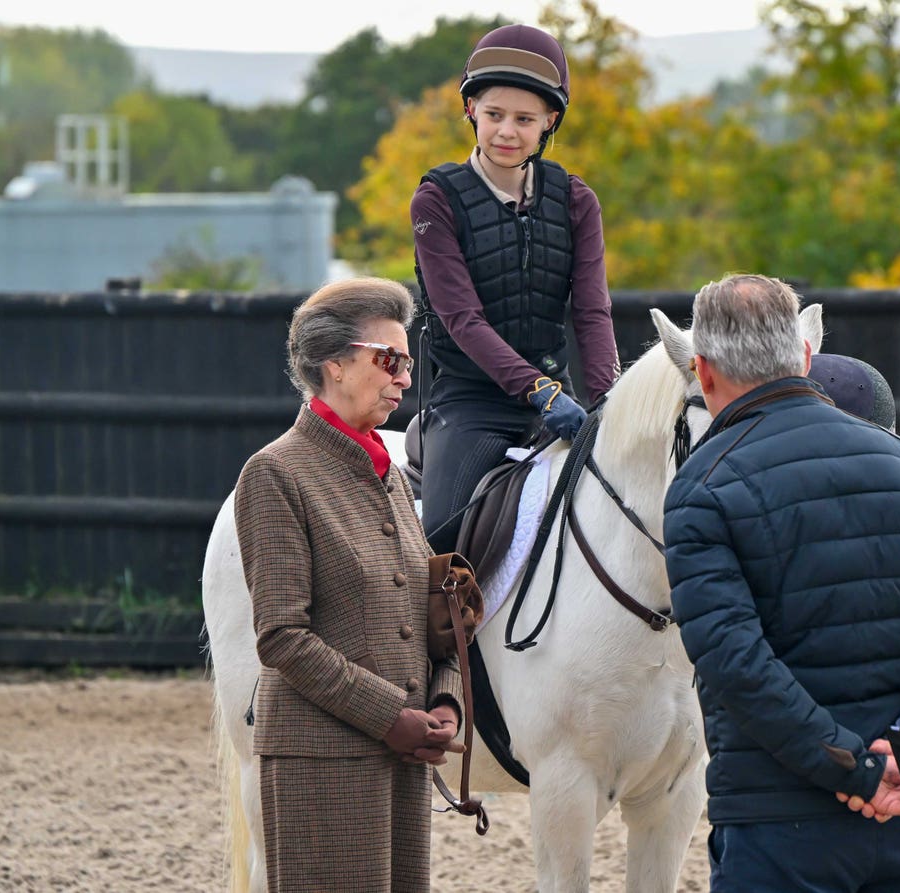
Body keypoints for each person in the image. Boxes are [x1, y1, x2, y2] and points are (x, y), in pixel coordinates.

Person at [663, 273, 900, 892]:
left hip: (778, 821)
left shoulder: (701, 487)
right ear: (806, 355)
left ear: (703, 371)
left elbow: (734, 662)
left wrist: (858, 772)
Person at [234, 277, 465, 893]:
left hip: (403, 758)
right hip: (321, 765)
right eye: (390, 361)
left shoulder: (388, 473)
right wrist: (394, 716)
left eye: (407, 362)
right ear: (334, 365)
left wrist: (443, 701)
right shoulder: (275, 472)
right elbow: (282, 636)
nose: (405, 380)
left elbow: (420, 612)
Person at [411, 23, 620, 553]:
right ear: (470, 111)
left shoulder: (577, 200)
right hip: (471, 402)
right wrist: (538, 391)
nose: (507, 131)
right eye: (494, 115)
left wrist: (605, 401)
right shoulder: (436, 201)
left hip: (558, 396)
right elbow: (461, 319)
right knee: (442, 536)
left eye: (525, 120)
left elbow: (592, 311)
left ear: (549, 122)